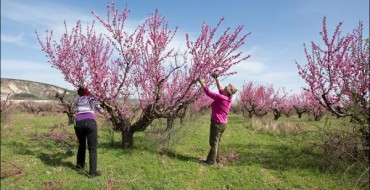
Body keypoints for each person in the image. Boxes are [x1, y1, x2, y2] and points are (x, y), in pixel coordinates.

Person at [198, 74, 237, 166]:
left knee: (213, 142)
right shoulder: (228, 98)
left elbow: (208, 92)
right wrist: (216, 79)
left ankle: (211, 161)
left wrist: (202, 82)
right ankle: (217, 159)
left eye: (225, 88)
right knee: (217, 142)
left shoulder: (221, 98)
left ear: (227, 91)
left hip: (217, 123)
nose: (223, 88)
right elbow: (220, 88)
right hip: (223, 123)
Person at [74, 85, 104, 178]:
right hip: (89, 122)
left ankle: (79, 166)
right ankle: (92, 173)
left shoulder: (77, 101)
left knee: (81, 144)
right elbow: (101, 111)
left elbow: (78, 110)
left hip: (78, 123)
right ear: (87, 92)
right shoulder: (92, 99)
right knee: (92, 148)